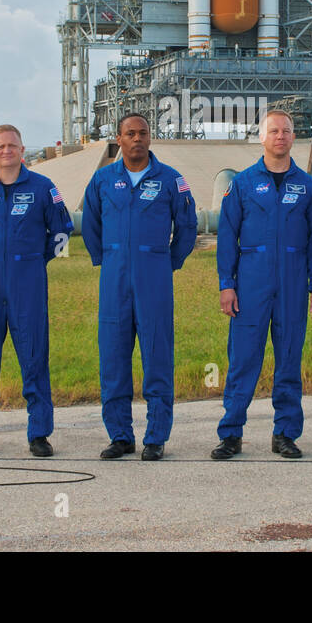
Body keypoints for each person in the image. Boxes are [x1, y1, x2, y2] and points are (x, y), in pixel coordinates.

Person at [211, 109, 312, 460]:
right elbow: (227, 237)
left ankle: (286, 434)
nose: (280, 136)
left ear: (294, 138)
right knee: (243, 361)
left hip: (292, 284)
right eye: (274, 131)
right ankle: (231, 434)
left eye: (287, 131)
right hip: (251, 284)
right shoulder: (243, 184)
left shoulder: (307, 186)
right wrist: (226, 284)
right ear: (262, 137)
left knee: (289, 361)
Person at [82, 113, 198, 461]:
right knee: (114, 358)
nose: (137, 139)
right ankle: (120, 436)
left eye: (143, 133)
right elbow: (90, 225)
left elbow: (188, 227)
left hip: (154, 279)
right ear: (119, 138)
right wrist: (108, 258)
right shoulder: (103, 180)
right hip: (115, 280)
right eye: (130, 133)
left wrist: (167, 261)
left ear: (150, 137)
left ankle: (155, 437)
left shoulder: (170, 180)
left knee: (157, 356)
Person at [0, 125, 73, 458]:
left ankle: (39, 433)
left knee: (34, 355)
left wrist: (37, 260)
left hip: (29, 282)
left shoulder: (42, 187)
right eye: (0, 146)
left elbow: (62, 231)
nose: (6, 151)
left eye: (12, 146)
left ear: (23, 150)